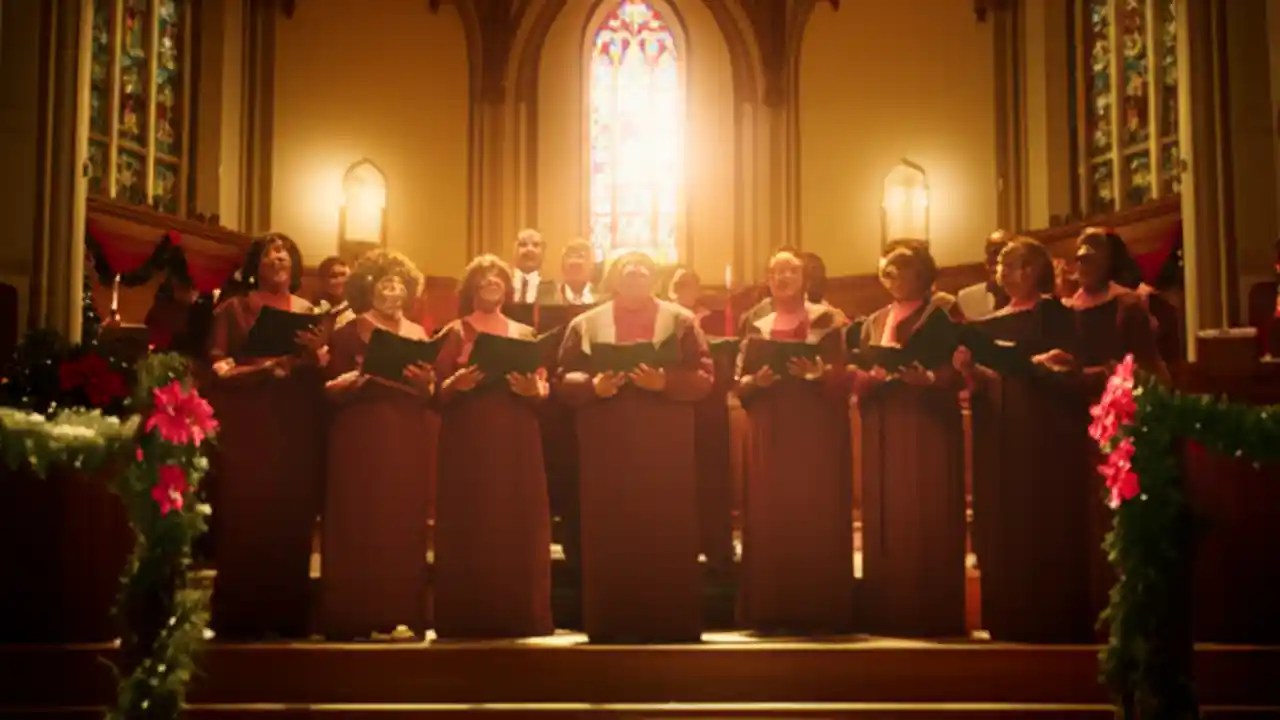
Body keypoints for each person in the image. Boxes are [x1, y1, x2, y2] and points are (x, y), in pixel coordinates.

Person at [555, 251, 712, 643]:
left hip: (665, 446)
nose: (636, 272)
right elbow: (562, 376)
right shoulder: (586, 324)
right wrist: (593, 386)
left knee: (665, 529)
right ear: (613, 278)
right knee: (612, 532)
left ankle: (670, 621)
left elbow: (706, 375)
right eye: (628, 267)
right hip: (606, 446)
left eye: (644, 267)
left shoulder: (680, 321)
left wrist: (666, 383)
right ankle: (613, 620)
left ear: (654, 278)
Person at [955, 237, 1094, 642]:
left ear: (1033, 269)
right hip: (1000, 434)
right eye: (1001, 263)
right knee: (1004, 519)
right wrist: (970, 369)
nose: (1003, 269)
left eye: (1012, 262)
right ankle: (1008, 616)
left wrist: (1038, 364)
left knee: (1046, 519)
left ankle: (1055, 618)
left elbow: (1070, 368)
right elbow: (982, 383)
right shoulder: (988, 324)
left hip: (1046, 434)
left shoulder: (1055, 314)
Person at [206, 233, 326, 639]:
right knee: (247, 516)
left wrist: (315, 354)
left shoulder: (308, 311)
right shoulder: (232, 309)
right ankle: (241, 619)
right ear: (255, 265)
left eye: (286, 255)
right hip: (250, 426)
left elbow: (321, 373)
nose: (279, 260)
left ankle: (289, 616)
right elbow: (218, 367)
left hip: (295, 426)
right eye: (271, 254)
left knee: (291, 516)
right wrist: (261, 370)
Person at [433, 254, 554, 639]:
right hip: (469, 438)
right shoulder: (453, 332)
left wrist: (534, 390)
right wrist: (456, 384)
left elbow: (541, 385)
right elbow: (431, 389)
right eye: (483, 278)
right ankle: (469, 614)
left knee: (516, 516)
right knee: (473, 516)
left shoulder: (523, 333)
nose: (491, 282)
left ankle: (520, 614)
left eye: (498, 278)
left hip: (517, 437)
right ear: (471, 288)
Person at [850, 239, 966, 638]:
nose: (893, 277)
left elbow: (962, 363)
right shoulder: (873, 320)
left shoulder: (943, 312)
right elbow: (861, 367)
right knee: (888, 509)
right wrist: (867, 376)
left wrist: (931, 378)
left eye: (901, 269)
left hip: (926, 423)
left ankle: (929, 611)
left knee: (924, 508)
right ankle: (887, 609)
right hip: (884, 420)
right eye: (887, 271)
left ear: (922, 273)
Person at [318, 250, 435, 641]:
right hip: (361, 434)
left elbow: (428, 391)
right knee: (361, 518)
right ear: (368, 288)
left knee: (401, 520)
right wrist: (355, 378)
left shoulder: (419, 334)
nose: (392, 290)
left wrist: (425, 383)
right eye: (384, 283)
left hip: (407, 435)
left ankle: (399, 611)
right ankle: (354, 612)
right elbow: (328, 389)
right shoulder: (348, 331)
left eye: (399, 284)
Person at [736, 250, 853, 633]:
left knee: (812, 509)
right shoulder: (753, 320)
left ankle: (818, 607)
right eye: (775, 271)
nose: (783, 277)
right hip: (770, 427)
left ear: (805, 278)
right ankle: (771, 607)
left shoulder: (828, 319)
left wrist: (821, 375)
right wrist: (757, 382)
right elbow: (740, 380)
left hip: (814, 429)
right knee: (771, 511)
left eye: (791, 270)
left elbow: (845, 376)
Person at [956, 230, 1012, 320]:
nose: (995, 259)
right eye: (990, 253)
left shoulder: (1029, 299)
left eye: (1003, 253)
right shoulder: (966, 298)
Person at [511, 229, 557, 305]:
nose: (529, 249)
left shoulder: (553, 288)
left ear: (543, 251)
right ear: (514, 250)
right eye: (523, 244)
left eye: (535, 245)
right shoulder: (504, 284)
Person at [555, 240, 598, 305]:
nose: (575, 262)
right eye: (571, 267)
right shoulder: (549, 298)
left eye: (578, 267)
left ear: (592, 266)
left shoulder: (603, 299)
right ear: (562, 267)